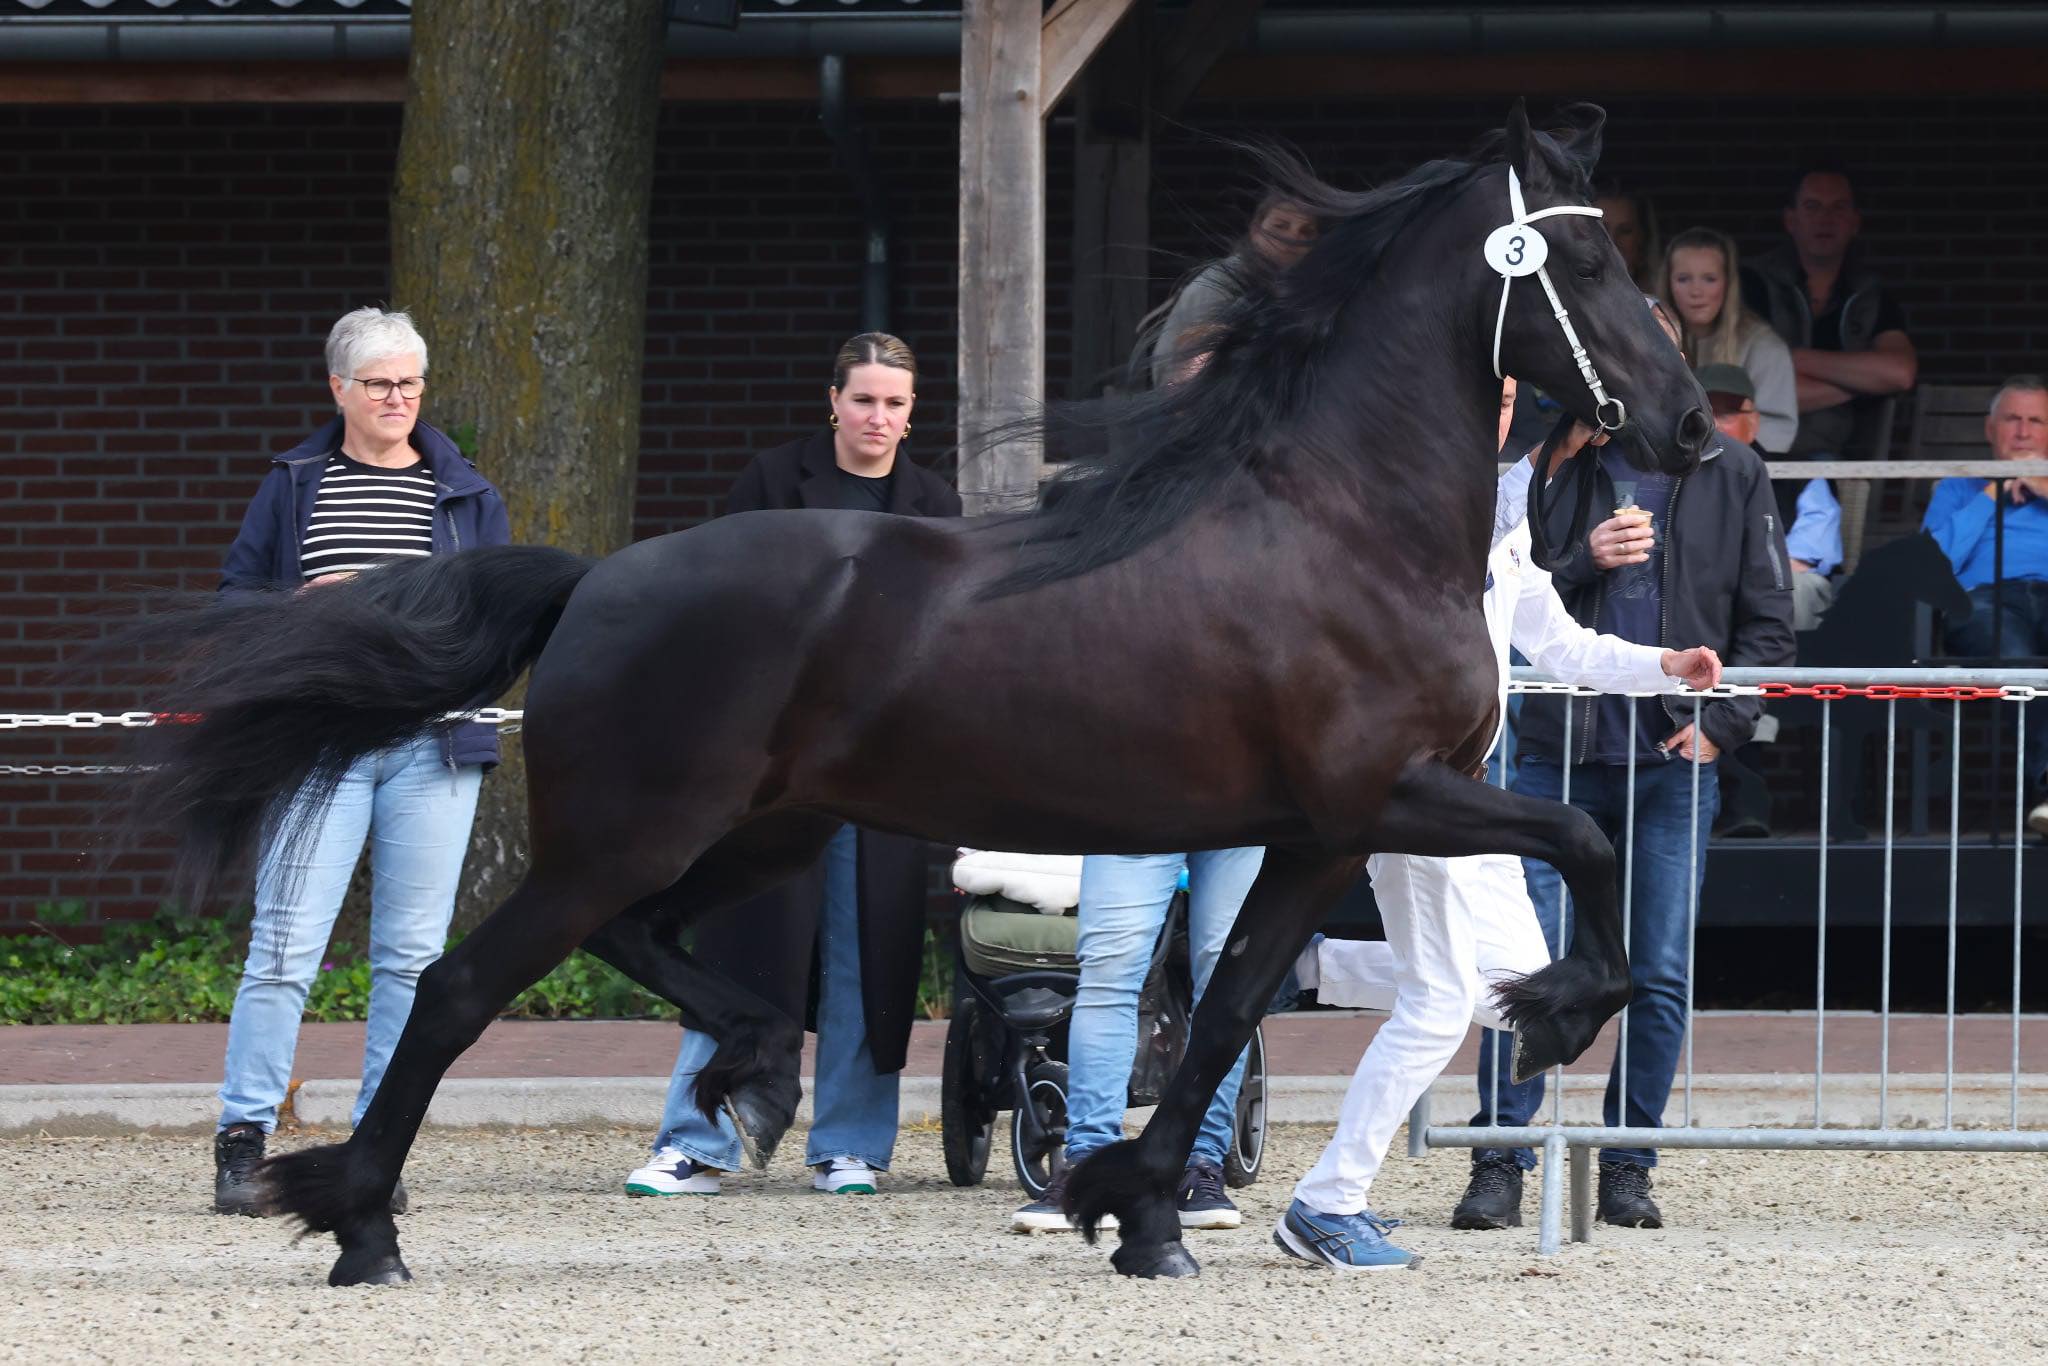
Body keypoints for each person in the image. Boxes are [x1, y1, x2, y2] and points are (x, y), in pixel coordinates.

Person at [1271, 376, 1724, 1271]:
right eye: (1494, 393)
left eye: (1513, 397)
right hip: (1420, 787)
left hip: (1474, 793)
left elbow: (1558, 642)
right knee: (1443, 1006)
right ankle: (1326, 1202)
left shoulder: (1505, 512)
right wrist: (1557, 452)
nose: (1501, 411)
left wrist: (1665, 664)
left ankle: (1310, 967)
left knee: (1528, 997)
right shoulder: (1408, 501)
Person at [1452, 301, 1796, 1232]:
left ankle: (1628, 1165)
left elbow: (1768, 623)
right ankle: (1501, 1161)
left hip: (1673, 760)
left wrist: (1725, 724)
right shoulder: (1561, 457)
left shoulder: (1734, 468)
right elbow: (1507, 587)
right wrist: (1580, 559)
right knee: (1525, 968)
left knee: (1660, 971)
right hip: (1558, 754)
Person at [624, 332, 960, 1199]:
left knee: (868, 954)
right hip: (775, 759)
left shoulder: (933, 501)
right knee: (744, 941)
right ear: (833, 402)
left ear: (911, 411)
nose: (877, 417)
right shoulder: (772, 484)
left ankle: (849, 1145)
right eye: (863, 400)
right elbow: (722, 612)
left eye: (893, 402)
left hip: (886, 762)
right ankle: (697, 1139)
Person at [213, 306, 510, 1216]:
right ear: (338, 387)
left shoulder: (464, 495)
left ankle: (378, 1147)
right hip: (320, 746)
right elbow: (235, 602)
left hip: (433, 745)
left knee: (412, 958)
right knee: (284, 947)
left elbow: (499, 624)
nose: (397, 399)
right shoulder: (296, 481)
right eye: (379, 383)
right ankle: (242, 1138)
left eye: (411, 384)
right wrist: (305, 607)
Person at [1009, 848, 1264, 1233]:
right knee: (1108, 968)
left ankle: (1201, 1163)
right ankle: (1092, 1165)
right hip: (1140, 803)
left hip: (1244, 814)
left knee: (1227, 978)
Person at [1922, 375, 2048, 837]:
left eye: (2036, 420)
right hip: (1985, 602)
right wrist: (1992, 493)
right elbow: (1930, 566)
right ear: (1990, 428)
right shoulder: (1957, 488)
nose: (2023, 431)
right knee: (2019, 664)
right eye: (2012, 419)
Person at [1742, 165, 1917, 459]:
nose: (1825, 219)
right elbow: (1754, 390)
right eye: (1813, 206)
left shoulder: (1870, 293)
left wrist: (1794, 360)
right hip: (1762, 455)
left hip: (1850, 458)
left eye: (1838, 207)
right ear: (1790, 219)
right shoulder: (1753, 284)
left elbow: (1900, 373)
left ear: (1855, 221)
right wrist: (1863, 384)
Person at [1698, 362, 1839, 630]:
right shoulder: (1665, 475)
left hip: (1769, 581)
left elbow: (1801, 561)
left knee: (1798, 588)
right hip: (1693, 586)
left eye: (1727, 414)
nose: (1713, 425)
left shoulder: (1801, 474)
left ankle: (1784, 673)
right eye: (1705, 412)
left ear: (1753, 421)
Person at [1142, 192, 1320, 387]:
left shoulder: (1305, 288)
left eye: (1306, 231)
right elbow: (1193, 372)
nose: (1293, 237)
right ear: (1256, 232)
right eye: (1281, 226)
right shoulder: (1218, 286)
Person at [1660, 227, 1798, 454]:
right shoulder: (1650, 343)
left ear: (1728, 283)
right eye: (1683, 279)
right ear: (1668, 284)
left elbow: (1780, 434)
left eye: (1709, 279)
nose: (1696, 291)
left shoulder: (1763, 346)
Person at [1593, 183, 1660, 292]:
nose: (1612, 242)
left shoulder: (1659, 306)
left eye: (1625, 231)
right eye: (1602, 229)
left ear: (1642, 239)